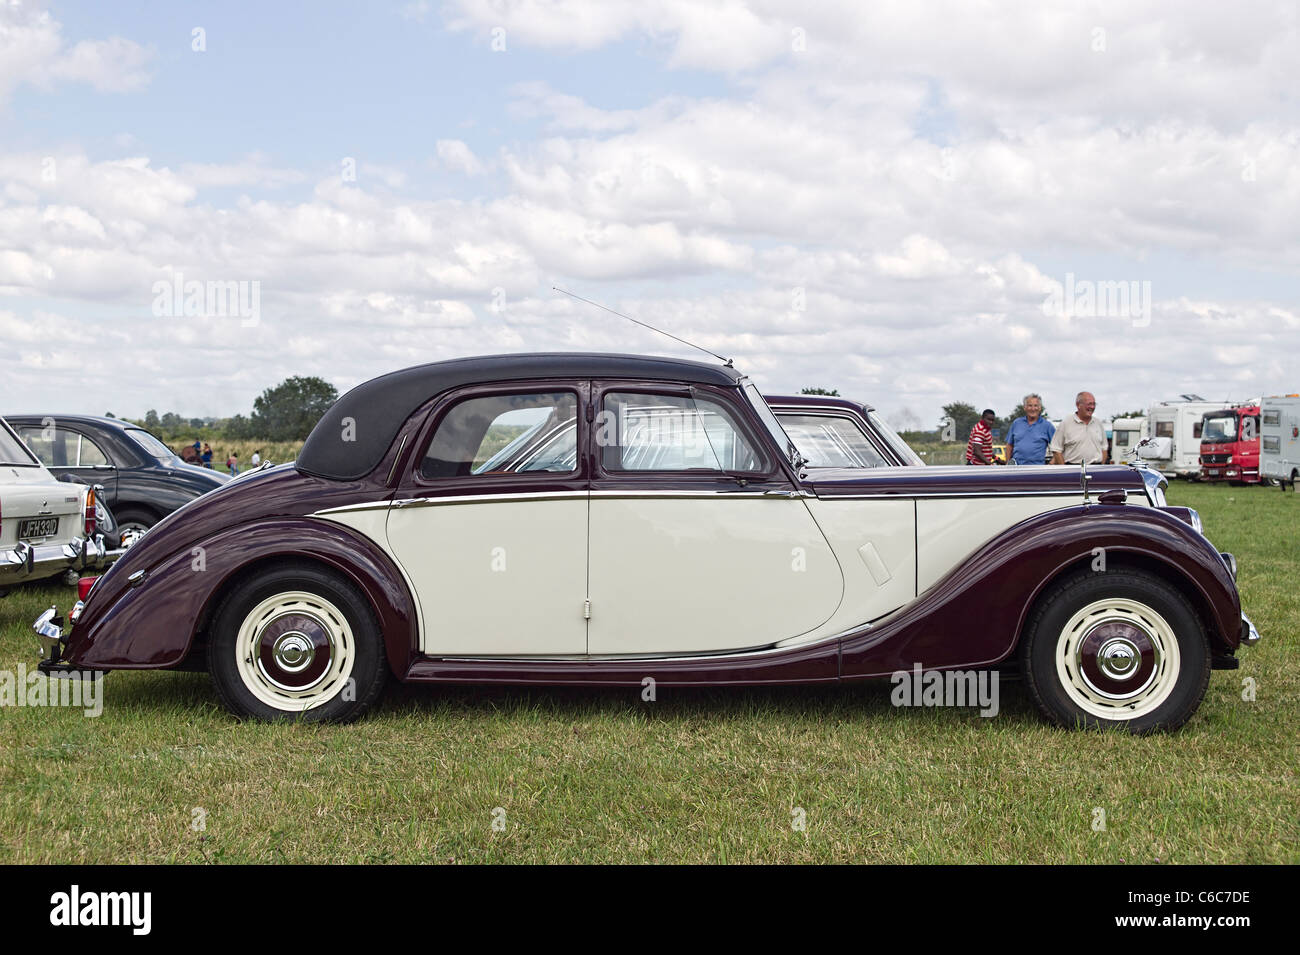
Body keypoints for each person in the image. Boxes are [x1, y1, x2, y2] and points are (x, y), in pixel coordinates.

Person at [1050, 391, 1109, 464]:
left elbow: (1104, 448)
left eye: (1094, 404)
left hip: (1096, 469)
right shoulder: (1066, 423)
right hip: (1073, 469)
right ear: (1078, 405)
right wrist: (1065, 470)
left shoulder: (1098, 423)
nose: (1092, 407)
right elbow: (1056, 449)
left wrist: (1101, 468)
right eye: (1089, 404)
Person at [1006, 393, 1056, 466]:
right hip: (1016, 468)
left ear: (1040, 408)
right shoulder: (1016, 423)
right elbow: (1009, 445)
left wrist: (1051, 464)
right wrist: (1007, 464)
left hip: (1038, 470)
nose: (1033, 409)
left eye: (1036, 406)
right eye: (1030, 405)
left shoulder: (1047, 426)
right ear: (1025, 407)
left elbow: (1058, 448)